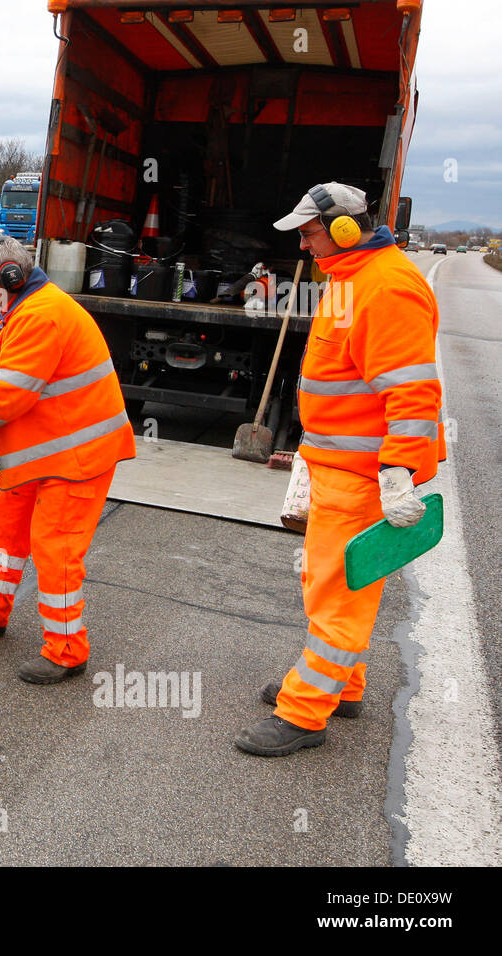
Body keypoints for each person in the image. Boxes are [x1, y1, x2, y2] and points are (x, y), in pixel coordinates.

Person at [236, 183, 444, 756]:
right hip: (336, 465)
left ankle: (305, 712)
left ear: (348, 229)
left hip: (365, 474)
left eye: (308, 232)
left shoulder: (387, 287)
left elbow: (411, 392)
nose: (303, 245)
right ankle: (344, 686)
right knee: (330, 581)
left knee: (340, 591)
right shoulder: (350, 278)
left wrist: (399, 470)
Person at [0, 234, 136, 683]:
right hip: (43, 452)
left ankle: (66, 651)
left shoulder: (41, 317)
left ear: (10, 275)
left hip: (76, 457)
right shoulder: (22, 310)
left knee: (56, 550)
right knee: (6, 532)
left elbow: (7, 398)